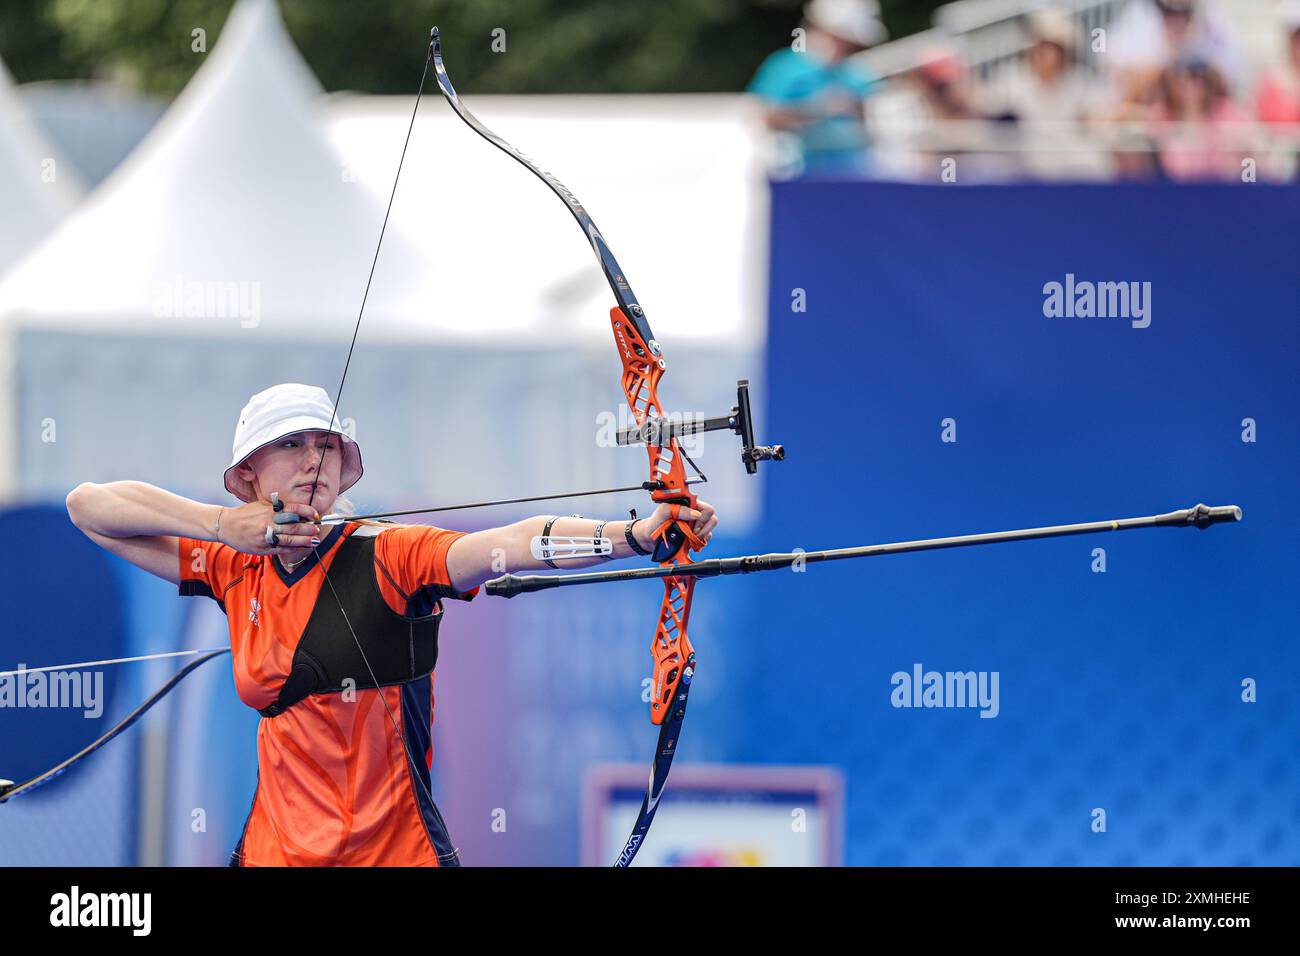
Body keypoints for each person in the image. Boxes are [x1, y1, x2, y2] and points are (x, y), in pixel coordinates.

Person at [64, 383, 716, 866]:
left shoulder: (389, 556)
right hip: (272, 853)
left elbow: (512, 543)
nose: (313, 460)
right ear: (248, 475)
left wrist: (633, 534)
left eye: (325, 445)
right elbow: (89, 507)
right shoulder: (233, 565)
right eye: (290, 445)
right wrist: (217, 524)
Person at [747, 0, 886, 178]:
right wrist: (817, 110)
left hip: (851, 172)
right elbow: (764, 115)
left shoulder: (856, 73)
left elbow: (870, 123)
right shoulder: (785, 67)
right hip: (797, 172)